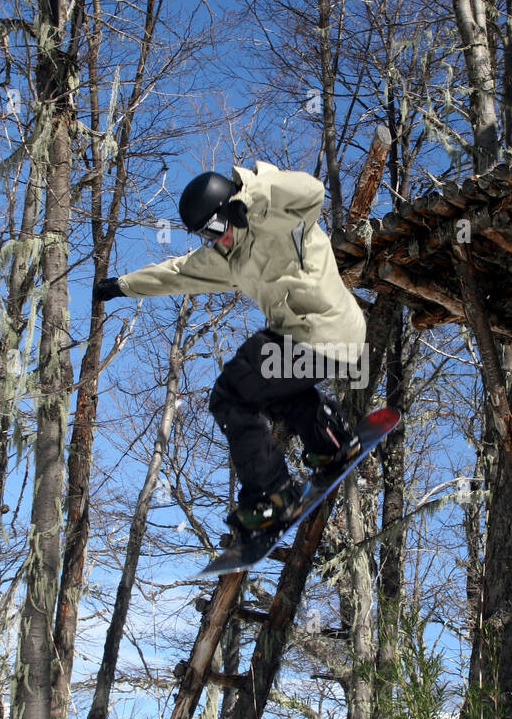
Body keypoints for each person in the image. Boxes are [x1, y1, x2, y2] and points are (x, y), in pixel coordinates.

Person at [94, 162, 367, 538]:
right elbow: (176, 273)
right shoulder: (229, 258)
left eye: (215, 227)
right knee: (272, 392)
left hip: (325, 332)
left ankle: (272, 494)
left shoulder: (279, 220)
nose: (214, 239)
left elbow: (312, 191)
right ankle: (330, 442)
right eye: (204, 234)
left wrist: (252, 200)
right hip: (317, 344)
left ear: (230, 209)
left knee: (231, 394)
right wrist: (122, 286)